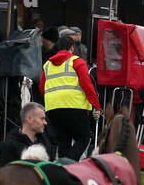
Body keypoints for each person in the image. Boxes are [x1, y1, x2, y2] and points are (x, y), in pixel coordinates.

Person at [41, 29, 101, 161]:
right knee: (84, 138)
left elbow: (42, 88)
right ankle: (68, 165)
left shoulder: (47, 65)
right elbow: (87, 86)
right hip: (74, 107)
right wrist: (96, 106)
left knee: (64, 143)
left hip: (53, 108)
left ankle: (63, 171)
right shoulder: (77, 61)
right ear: (72, 48)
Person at [0, 102, 55, 167]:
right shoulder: (10, 145)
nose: (45, 123)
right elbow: (4, 174)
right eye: (42, 119)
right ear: (29, 119)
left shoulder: (45, 142)